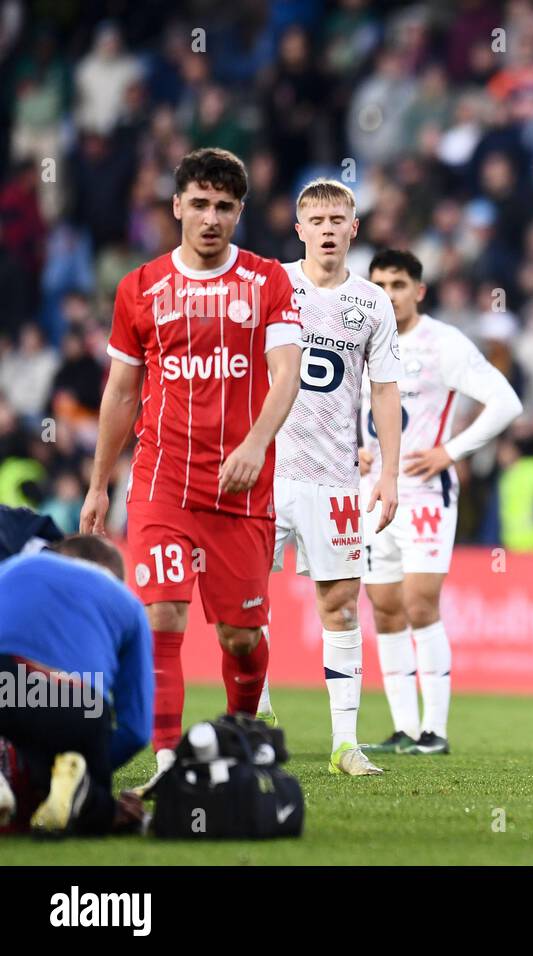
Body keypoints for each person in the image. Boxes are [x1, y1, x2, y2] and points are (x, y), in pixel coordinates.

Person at [80, 147, 303, 782]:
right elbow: (122, 392)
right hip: (161, 483)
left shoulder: (267, 282)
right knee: (163, 615)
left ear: (240, 213)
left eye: (224, 207)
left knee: (239, 636)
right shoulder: (140, 287)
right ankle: (170, 760)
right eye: (199, 204)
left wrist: (257, 443)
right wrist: (100, 483)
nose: (210, 218)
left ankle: (241, 731)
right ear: (176, 205)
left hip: (241, 488)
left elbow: (286, 374)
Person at [254, 179, 401, 776]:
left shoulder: (373, 303)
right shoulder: (271, 285)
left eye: (338, 218)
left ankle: (346, 744)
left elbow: (385, 391)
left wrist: (388, 472)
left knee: (340, 607)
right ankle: (255, 721)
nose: (328, 228)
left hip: (336, 480)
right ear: (299, 229)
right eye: (316, 219)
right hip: (265, 472)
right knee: (245, 605)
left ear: (354, 227)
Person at [356, 249, 522, 755]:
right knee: (384, 608)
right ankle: (405, 728)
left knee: (419, 603)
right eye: (379, 284)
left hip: (425, 492)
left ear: (419, 291)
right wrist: (352, 450)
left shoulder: (442, 343)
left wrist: (451, 451)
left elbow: (507, 402)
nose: (388, 295)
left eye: (399, 285)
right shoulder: (356, 342)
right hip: (370, 492)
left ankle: (436, 731)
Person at [0, 535, 151, 835]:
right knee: (97, 807)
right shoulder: (128, 604)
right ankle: (79, 788)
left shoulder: (16, 566)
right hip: (78, 704)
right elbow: (136, 731)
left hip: (5, 679)